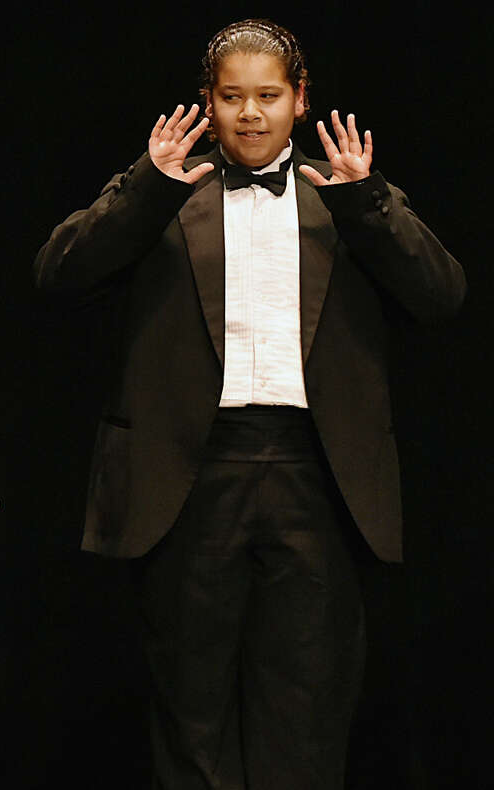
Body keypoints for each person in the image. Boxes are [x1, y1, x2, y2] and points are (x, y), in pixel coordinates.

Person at [34, 18, 465, 790]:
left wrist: (368, 202)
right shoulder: (168, 189)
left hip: (317, 474)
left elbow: (441, 295)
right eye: (232, 97)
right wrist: (148, 188)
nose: (251, 114)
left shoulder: (348, 195)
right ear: (208, 101)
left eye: (268, 95)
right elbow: (58, 275)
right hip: (192, 471)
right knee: (190, 707)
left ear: (301, 101)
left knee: (305, 706)